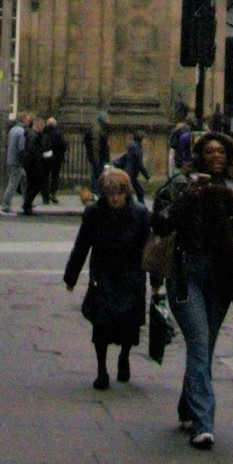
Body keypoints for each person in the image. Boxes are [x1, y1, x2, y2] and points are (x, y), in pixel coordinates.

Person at [150, 132, 233, 449]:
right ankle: (204, 424)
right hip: (187, 274)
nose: (216, 156)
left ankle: (188, 407)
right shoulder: (181, 185)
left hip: (222, 277)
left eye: (221, 151)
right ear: (199, 155)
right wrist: (190, 196)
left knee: (205, 347)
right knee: (199, 343)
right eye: (210, 151)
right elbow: (159, 222)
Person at [63, 165, 152, 388]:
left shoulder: (140, 214)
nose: (114, 199)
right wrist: (71, 276)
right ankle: (101, 369)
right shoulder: (94, 213)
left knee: (129, 325)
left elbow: (150, 249)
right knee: (101, 325)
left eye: (119, 193)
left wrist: (157, 279)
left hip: (131, 276)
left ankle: (124, 356)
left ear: (127, 192)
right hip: (104, 275)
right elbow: (82, 246)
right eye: (110, 194)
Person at [1, 112, 28, 212]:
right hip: (17, 162)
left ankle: (27, 202)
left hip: (11, 159)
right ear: (24, 120)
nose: (29, 121)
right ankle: (5, 205)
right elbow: (22, 148)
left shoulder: (13, 129)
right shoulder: (22, 131)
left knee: (25, 180)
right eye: (27, 119)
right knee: (13, 184)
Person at [38, 115, 66, 203]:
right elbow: (63, 145)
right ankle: (52, 193)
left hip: (45, 157)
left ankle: (45, 197)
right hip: (56, 158)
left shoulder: (43, 132)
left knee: (45, 177)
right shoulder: (58, 133)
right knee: (55, 177)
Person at [115, 131, 150, 202]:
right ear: (141, 139)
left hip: (129, 173)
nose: (145, 141)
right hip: (131, 174)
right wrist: (147, 177)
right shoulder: (137, 149)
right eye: (144, 139)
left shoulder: (133, 147)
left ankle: (140, 207)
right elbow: (140, 164)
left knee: (138, 191)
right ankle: (139, 208)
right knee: (134, 192)